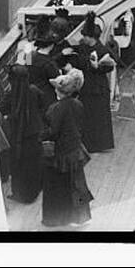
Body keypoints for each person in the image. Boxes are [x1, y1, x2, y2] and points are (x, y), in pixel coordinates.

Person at [41, 68, 94, 227]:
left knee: (56, 187)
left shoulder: (55, 108)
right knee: (76, 185)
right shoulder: (78, 104)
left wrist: (40, 135)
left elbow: (53, 131)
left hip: (60, 154)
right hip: (75, 150)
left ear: (59, 91)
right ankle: (78, 218)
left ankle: (56, 218)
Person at [5, 46, 45, 204]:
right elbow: (43, 105)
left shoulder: (11, 95)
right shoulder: (34, 90)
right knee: (33, 164)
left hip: (18, 135)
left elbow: (0, 108)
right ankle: (33, 191)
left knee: (19, 165)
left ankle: (20, 194)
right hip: (34, 133)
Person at [76, 22, 116, 153]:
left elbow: (110, 66)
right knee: (87, 115)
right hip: (86, 85)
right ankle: (88, 143)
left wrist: (97, 67)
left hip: (97, 86)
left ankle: (99, 144)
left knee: (99, 116)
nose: (83, 38)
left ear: (91, 37)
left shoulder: (102, 50)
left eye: (85, 36)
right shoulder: (83, 47)